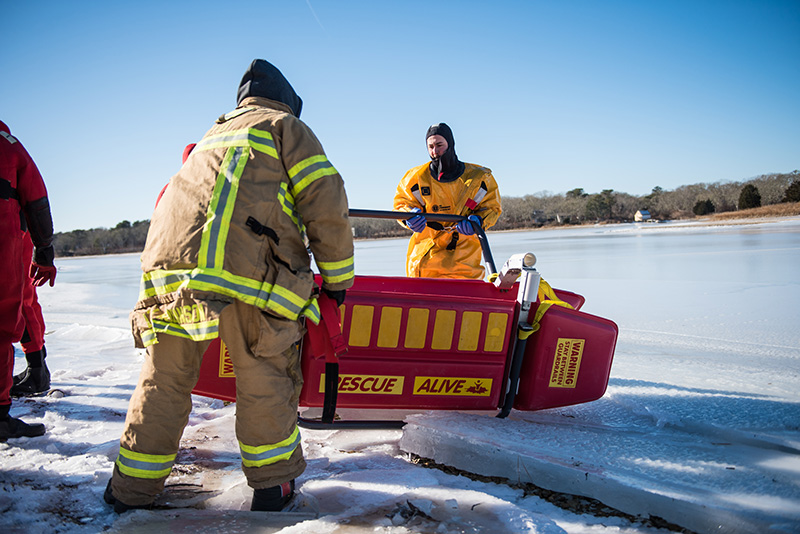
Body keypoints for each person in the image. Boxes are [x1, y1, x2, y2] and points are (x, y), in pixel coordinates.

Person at [104, 59, 355, 514]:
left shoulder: (210, 137)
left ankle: (128, 491)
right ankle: (272, 487)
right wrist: (336, 281)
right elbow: (326, 204)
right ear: (288, 102)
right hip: (246, 274)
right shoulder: (285, 126)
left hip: (168, 275)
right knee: (265, 378)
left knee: (163, 382)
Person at [0, 119, 57, 441]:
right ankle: (35, 373)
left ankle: (37, 372)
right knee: (14, 306)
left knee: (18, 303)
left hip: (12, 230)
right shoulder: (7, 143)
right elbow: (36, 196)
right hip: (9, 231)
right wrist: (44, 249)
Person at [393, 123, 502, 279]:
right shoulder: (415, 178)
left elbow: (491, 208)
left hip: (465, 262)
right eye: (430, 146)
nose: (435, 151)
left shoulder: (479, 178)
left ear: (450, 144)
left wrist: (478, 221)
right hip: (425, 260)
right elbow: (401, 204)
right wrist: (409, 216)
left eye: (439, 145)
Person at [10, 233, 51, 396]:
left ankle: (37, 371)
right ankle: (37, 367)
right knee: (28, 300)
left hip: (14, 233)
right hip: (22, 232)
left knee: (20, 301)